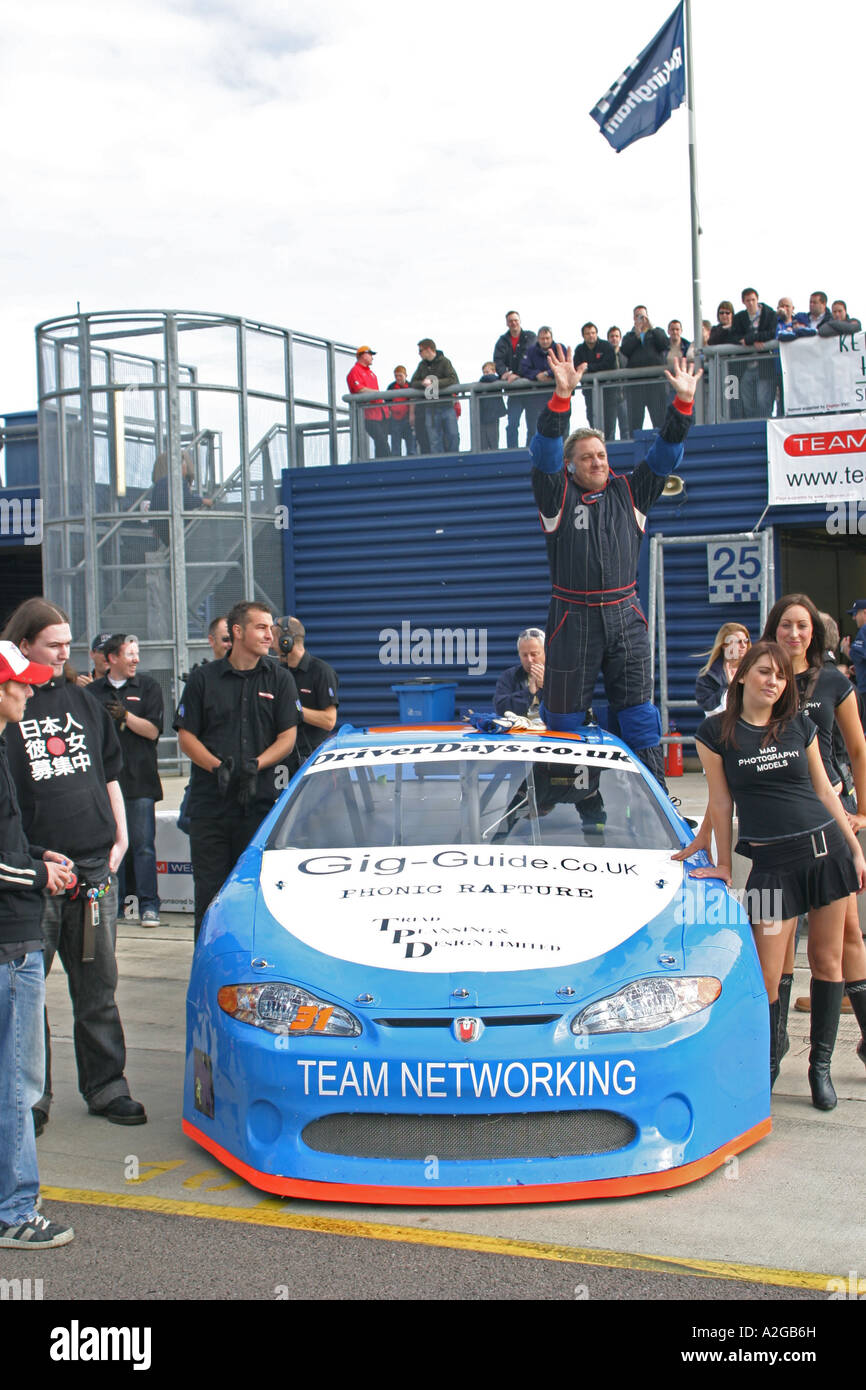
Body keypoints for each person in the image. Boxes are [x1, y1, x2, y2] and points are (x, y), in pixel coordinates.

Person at [689, 640, 865, 1108]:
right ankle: (764, 1069)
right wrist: (722, 863)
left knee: (828, 963)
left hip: (826, 852)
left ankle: (819, 1069)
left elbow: (827, 793)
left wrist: (854, 848)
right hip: (771, 868)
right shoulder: (714, 733)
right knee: (766, 978)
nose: (773, 681)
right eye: (764, 672)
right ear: (743, 675)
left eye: (781, 676)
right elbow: (721, 802)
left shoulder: (798, 725)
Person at [1, 598, 145, 1129]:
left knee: (98, 986)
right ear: (24, 648)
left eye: (68, 643)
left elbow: (110, 771)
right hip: (34, 878)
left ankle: (107, 1087)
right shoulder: (10, 704)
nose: (66, 653)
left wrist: (120, 837)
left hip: (92, 871)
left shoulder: (82, 701)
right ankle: (32, 1099)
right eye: (53, 645)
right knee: (26, 995)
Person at [529, 344, 701, 785]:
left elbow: (666, 454)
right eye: (587, 457)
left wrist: (682, 405)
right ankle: (560, 800)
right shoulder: (557, 495)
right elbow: (544, 452)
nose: (597, 461)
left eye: (602, 455)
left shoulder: (632, 491)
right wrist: (561, 398)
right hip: (572, 617)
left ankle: (656, 799)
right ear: (571, 466)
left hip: (625, 614)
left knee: (641, 716)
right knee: (562, 719)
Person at [759, 596, 866, 1064]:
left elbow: (859, 749)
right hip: (782, 823)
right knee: (783, 942)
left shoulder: (834, 681)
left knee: (845, 936)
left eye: (802, 626)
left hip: (830, 816)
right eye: (786, 625)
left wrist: (862, 812)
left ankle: (815, 1052)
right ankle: (774, 1045)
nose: (795, 634)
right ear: (774, 630)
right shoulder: (765, 678)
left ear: (814, 633)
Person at [0, 639, 77, 1249]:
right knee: (17, 1083)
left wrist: (33, 856)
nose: (30, 691)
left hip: (13, 934)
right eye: (20, 683)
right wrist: (36, 874)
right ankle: (15, 1210)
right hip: (9, 941)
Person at [174, 600, 300, 940]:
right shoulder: (203, 679)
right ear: (238, 631)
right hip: (210, 808)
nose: (270, 634)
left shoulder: (280, 679)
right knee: (211, 895)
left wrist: (255, 765)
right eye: (261, 627)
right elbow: (186, 736)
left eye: (271, 627)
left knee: (256, 895)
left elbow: (288, 737)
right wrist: (218, 768)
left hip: (259, 807)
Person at [87, 634, 164, 927]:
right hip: (104, 783)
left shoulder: (148, 687)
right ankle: (114, 904)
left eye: (138, 653)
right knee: (109, 845)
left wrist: (125, 716)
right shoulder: (92, 692)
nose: (136, 659)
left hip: (140, 780)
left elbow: (153, 731)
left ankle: (148, 905)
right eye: (129, 654)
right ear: (111, 659)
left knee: (143, 845)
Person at [275, 616, 339, 773]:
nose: (269, 641)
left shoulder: (321, 672)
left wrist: (294, 709)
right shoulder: (278, 672)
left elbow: (329, 721)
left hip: (313, 761)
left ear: (286, 641)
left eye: (273, 636)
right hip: (282, 760)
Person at [620, 305, 669, 433]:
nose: (640, 319)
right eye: (637, 316)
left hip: (655, 384)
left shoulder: (656, 332)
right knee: (634, 423)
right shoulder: (629, 336)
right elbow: (625, 350)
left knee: (659, 421)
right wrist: (637, 335)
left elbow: (664, 344)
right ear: (633, 319)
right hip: (636, 386)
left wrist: (651, 328)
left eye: (643, 316)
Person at [731, 288, 777, 418]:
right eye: (748, 300)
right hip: (745, 366)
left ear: (757, 299)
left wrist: (750, 339)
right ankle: (751, 426)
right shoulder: (739, 317)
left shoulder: (769, 314)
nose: (751, 303)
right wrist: (752, 340)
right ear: (743, 302)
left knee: (763, 400)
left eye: (753, 300)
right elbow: (733, 336)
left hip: (764, 365)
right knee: (747, 401)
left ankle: (764, 425)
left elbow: (772, 333)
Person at [493, 310, 536, 449]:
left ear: (520, 321)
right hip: (513, 390)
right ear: (507, 323)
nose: (513, 323)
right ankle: (512, 449)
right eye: (510, 321)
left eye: (515, 320)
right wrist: (504, 373)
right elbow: (497, 361)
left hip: (530, 389)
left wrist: (517, 373)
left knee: (533, 424)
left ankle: (532, 450)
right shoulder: (502, 340)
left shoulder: (529, 337)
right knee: (512, 423)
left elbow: (528, 356)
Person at [409, 339, 459, 454]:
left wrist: (434, 383)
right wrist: (423, 383)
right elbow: (413, 382)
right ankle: (440, 465)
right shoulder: (422, 365)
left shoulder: (445, 362)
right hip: (430, 408)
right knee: (434, 440)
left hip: (446, 405)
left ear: (428, 349)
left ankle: (454, 462)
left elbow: (453, 379)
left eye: (420, 350)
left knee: (452, 436)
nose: (419, 353)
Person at [695, 624, 751, 714]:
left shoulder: (755, 670)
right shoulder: (708, 676)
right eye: (738, 642)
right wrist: (728, 687)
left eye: (746, 641)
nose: (744, 646)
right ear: (724, 645)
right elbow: (710, 709)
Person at [346, 346, 390, 459]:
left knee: (381, 442)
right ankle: (385, 464)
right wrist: (378, 393)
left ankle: (380, 466)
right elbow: (359, 390)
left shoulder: (371, 373)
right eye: (370, 354)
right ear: (362, 355)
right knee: (382, 442)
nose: (372, 358)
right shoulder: (355, 371)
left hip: (380, 413)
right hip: (368, 414)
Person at [573, 324, 616, 436]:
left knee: (609, 420)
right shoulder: (579, 350)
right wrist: (586, 368)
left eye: (593, 333)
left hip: (608, 391)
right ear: (583, 335)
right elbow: (577, 367)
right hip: (589, 392)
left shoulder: (606, 346)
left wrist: (589, 367)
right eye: (587, 333)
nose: (591, 335)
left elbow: (608, 364)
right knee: (592, 418)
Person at [520, 327, 563, 439]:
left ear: (551, 338)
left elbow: (564, 366)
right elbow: (524, 369)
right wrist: (537, 375)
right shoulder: (531, 351)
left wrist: (548, 374)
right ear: (538, 339)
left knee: (560, 426)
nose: (545, 341)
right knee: (534, 427)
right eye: (542, 338)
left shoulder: (559, 348)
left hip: (557, 395)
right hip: (536, 397)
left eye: (547, 338)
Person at [493, 628, 546, 718]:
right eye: (524, 655)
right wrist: (529, 692)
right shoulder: (509, 676)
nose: (529, 660)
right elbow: (500, 709)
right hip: (520, 730)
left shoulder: (560, 675)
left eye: (534, 654)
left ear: (545, 652)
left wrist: (547, 687)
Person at [606, 326, 630, 440]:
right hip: (610, 397)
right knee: (610, 429)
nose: (614, 339)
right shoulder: (605, 355)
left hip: (624, 396)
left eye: (616, 336)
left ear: (620, 338)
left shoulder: (625, 356)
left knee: (626, 428)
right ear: (608, 339)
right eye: (611, 336)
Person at [386, 365, 416, 457]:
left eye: (400, 376)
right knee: (395, 442)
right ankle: (396, 460)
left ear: (405, 375)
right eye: (396, 376)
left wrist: (412, 416)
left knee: (411, 441)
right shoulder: (391, 387)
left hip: (407, 418)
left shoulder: (411, 386)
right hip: (395, 419)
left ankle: (412, 459)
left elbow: (414, 401)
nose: (398, 378)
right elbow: (387, 402)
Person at [478, 362, 506, 451]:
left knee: (493, 442)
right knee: (483, 444)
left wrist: (484, 378)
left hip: (493, 417)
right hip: (483, 417)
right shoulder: (481, 385)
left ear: (494, 371)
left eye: (487, 372)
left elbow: (491, 378)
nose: (485, 375)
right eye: (484, 372)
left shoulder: (497, 380)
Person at [841, 599, 866, 690]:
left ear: (865, 612)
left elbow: (856, 655)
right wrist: (860, 667)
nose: (853, 618)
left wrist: (845, 648)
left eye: (855, 614)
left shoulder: (864, 630)